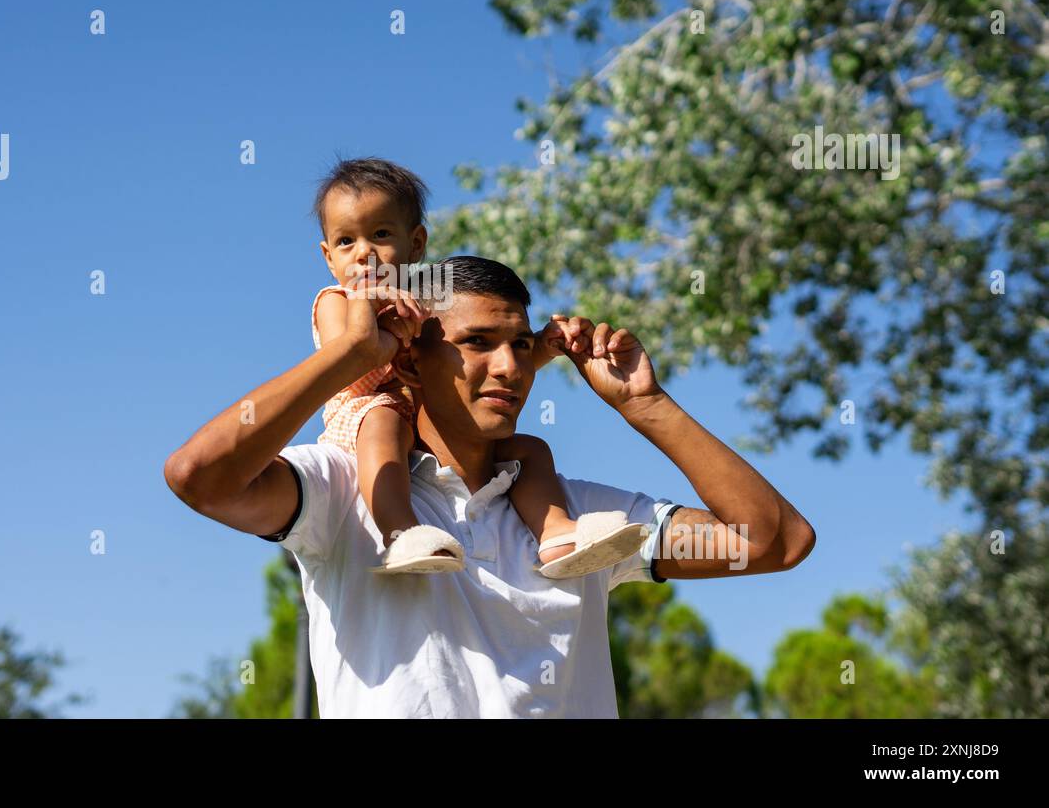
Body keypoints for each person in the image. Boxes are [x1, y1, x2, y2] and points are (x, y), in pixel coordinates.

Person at [163, 254, 816, 717]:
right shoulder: (344, 490)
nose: (510, 367)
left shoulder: (582, 517)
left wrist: (646, 406)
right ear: (412, 357)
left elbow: (773, 543)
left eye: (522, 345)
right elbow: (200, 477)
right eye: (477, 342)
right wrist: (351, 355)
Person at [308, 157, 648, 577]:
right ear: (328, 256)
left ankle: (557, 533)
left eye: (380, 234)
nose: (364, 253)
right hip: (366, 413)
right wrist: (370, 317)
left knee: (530, 450)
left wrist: (544, 346)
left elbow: (478, 368)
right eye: (346, 242)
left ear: (415, 244)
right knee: (385, 421)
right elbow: (351, 363)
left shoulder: (427, 302)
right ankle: (401, 533)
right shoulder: (337, 301)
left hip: (418, 418)